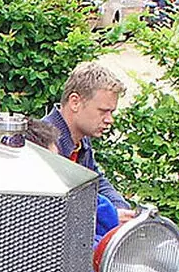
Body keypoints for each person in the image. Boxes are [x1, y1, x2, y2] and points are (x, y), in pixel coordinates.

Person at [38, 62, 133, 212]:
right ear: (75, 102)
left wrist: (121, 209)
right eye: (103, 111)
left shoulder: (81, 140)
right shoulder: (42, 144)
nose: (110, 120)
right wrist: (111, 215)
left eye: (111, 112)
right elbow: (55, 209)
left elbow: (96, 182)